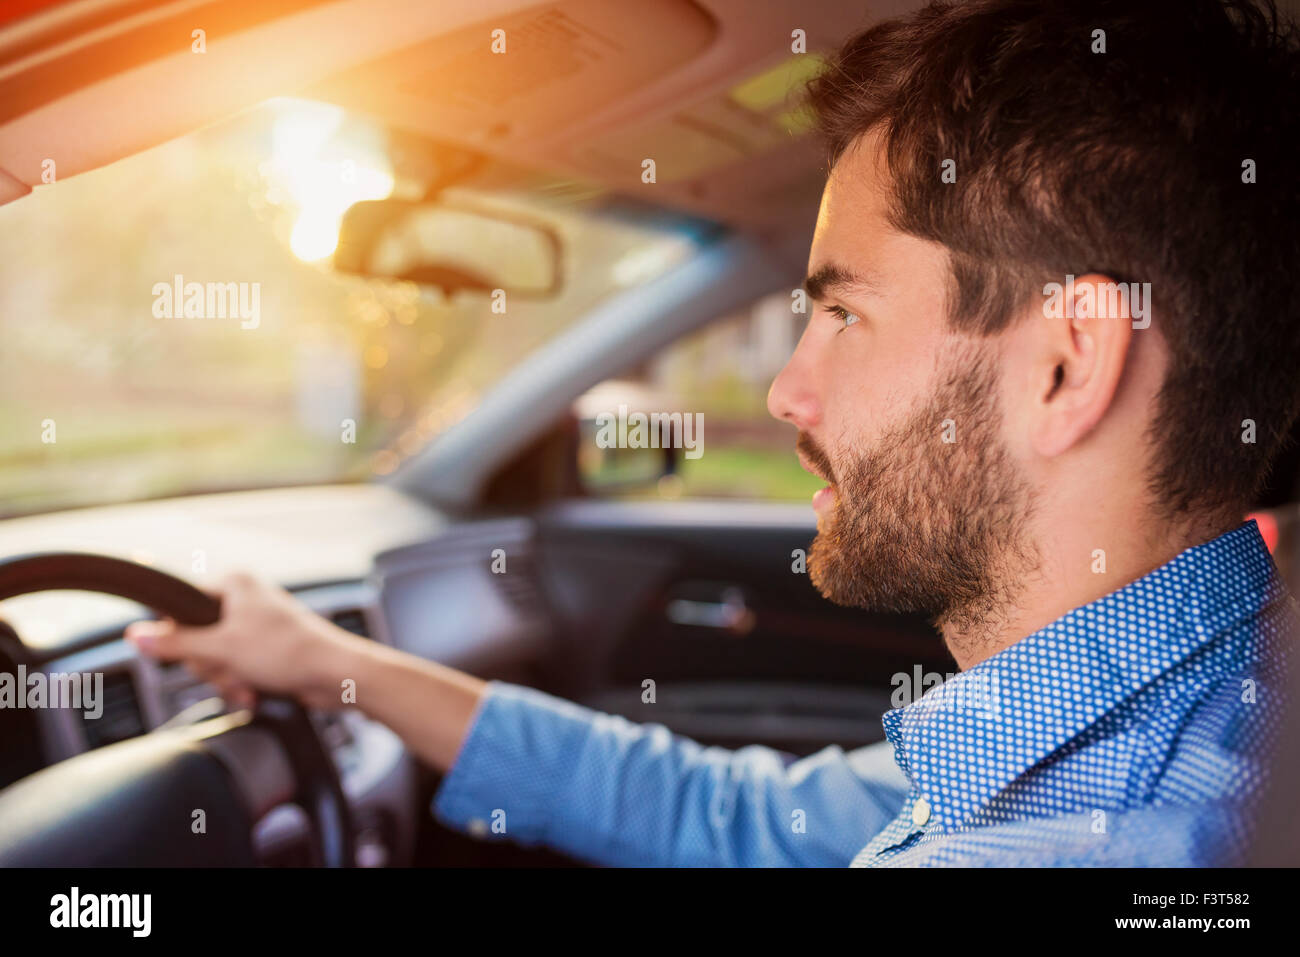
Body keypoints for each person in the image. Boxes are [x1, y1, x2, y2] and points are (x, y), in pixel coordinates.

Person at [127, 0, 1300, 866]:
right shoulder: (1162, 720)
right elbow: (723, 816)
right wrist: (332, 663)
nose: (789, 393)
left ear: (1066, 363)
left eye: (843, 311)